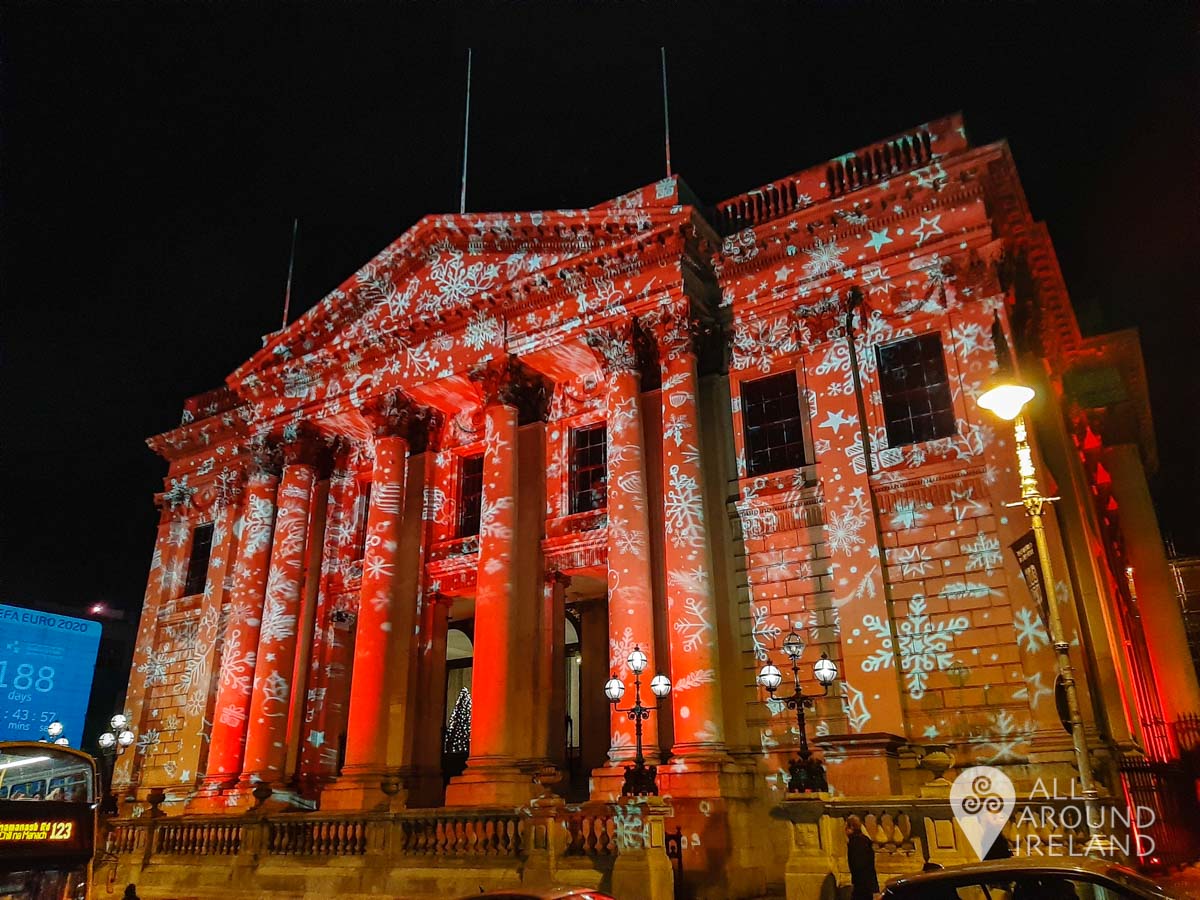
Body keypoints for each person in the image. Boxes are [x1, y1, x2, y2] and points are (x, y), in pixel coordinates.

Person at [845, 815, 879, 900]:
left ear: (851, 827)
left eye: (846, 827)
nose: (845, 830)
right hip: (866, 884)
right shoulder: (863, 840)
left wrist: (856, 884)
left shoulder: (856, 842)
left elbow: (859, 864)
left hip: (862, 884)